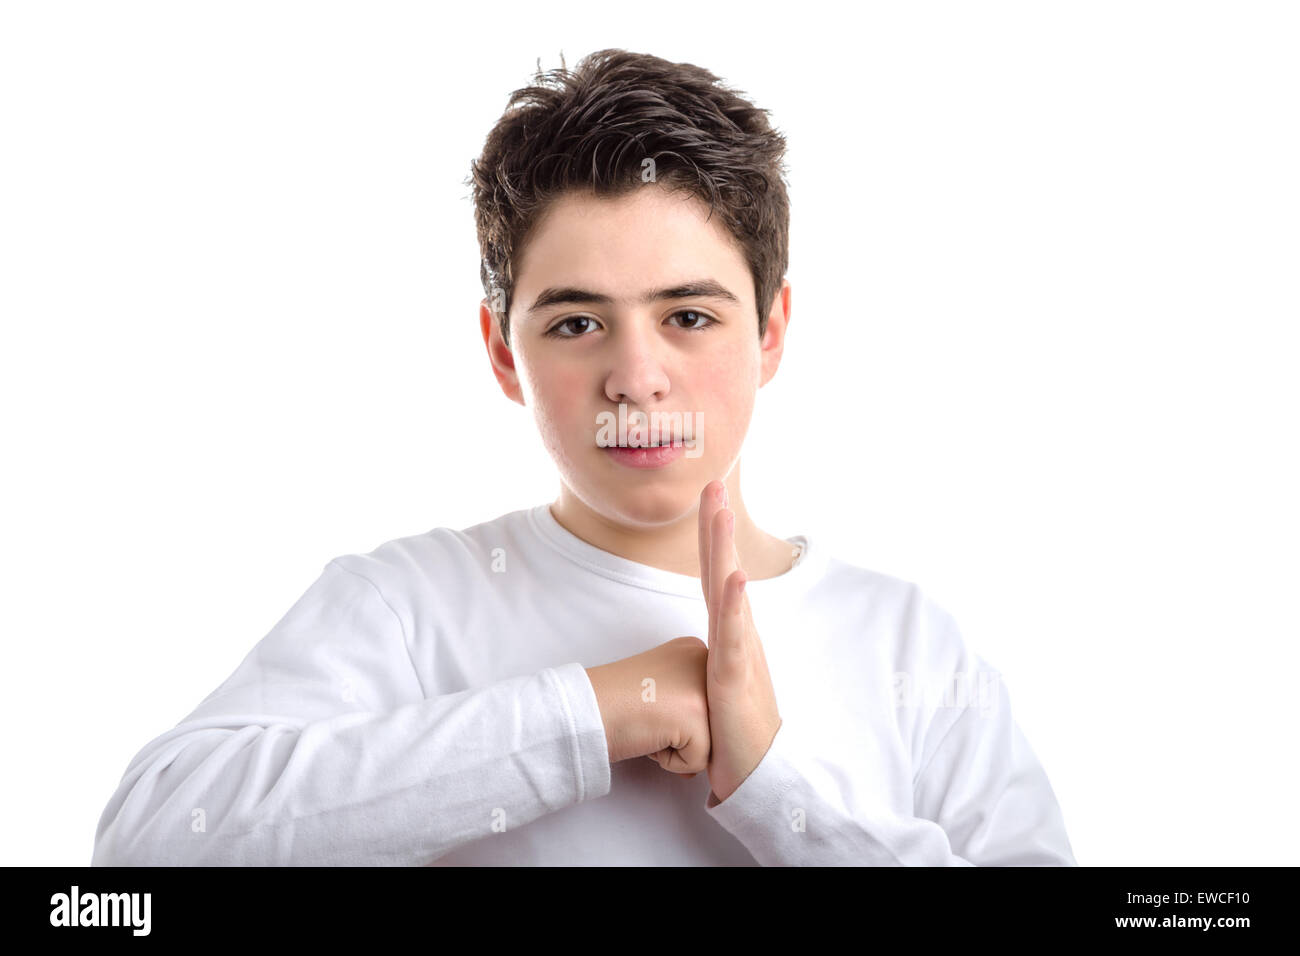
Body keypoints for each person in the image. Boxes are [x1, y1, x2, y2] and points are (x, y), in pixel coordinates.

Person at [91, 48, 1076, 866]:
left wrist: (775, 782)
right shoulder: (403, 607)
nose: (635, 376)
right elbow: (146, 843)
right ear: (499, 351)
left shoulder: (912, 643)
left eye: (687, 314)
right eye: (574, 323)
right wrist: (596, 711)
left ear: (771, 331)